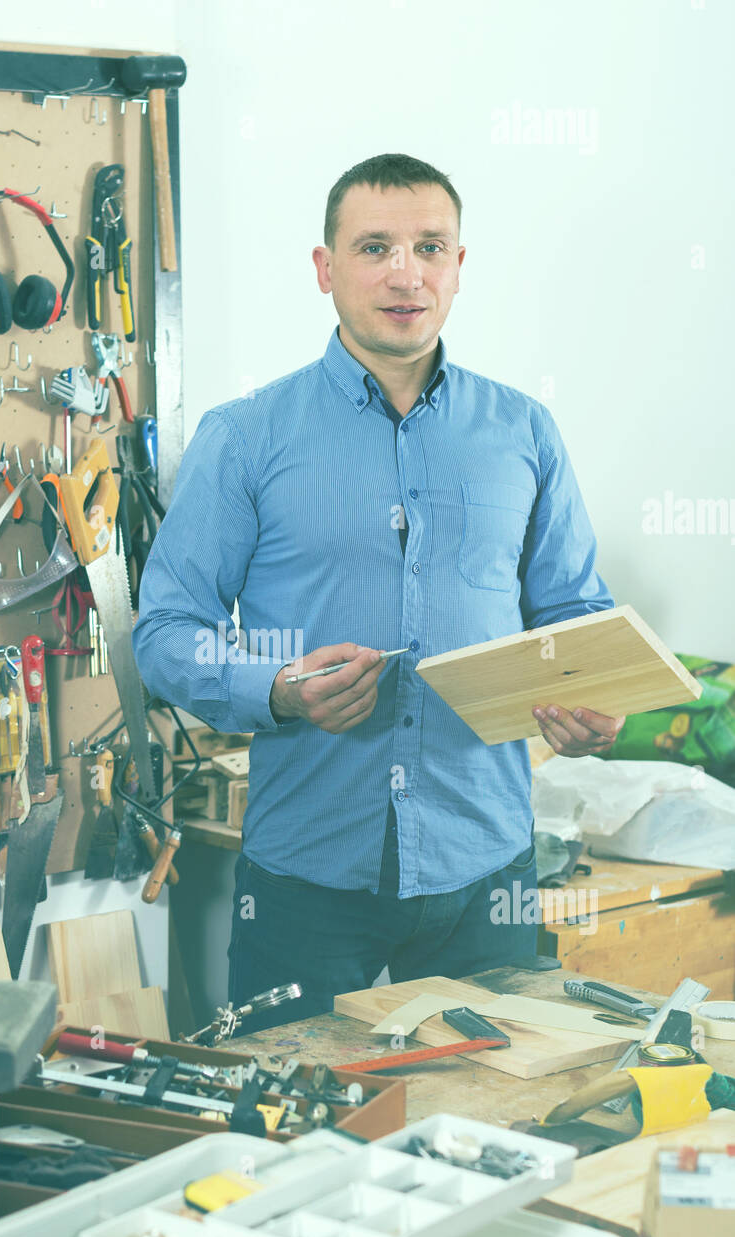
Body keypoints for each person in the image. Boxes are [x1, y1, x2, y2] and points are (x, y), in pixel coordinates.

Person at [133, 153, 623, 1032]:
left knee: (491, 1133)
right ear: (325, 270)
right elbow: (168, 630)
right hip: (309, 876)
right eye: (374, 247)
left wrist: (589, 695)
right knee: (290, 1130)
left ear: (459, 267)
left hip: (486, 867)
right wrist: (275, 690)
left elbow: (573, 609)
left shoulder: (523, 431)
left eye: (430, 246)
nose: (406, 272)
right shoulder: (245, 438)